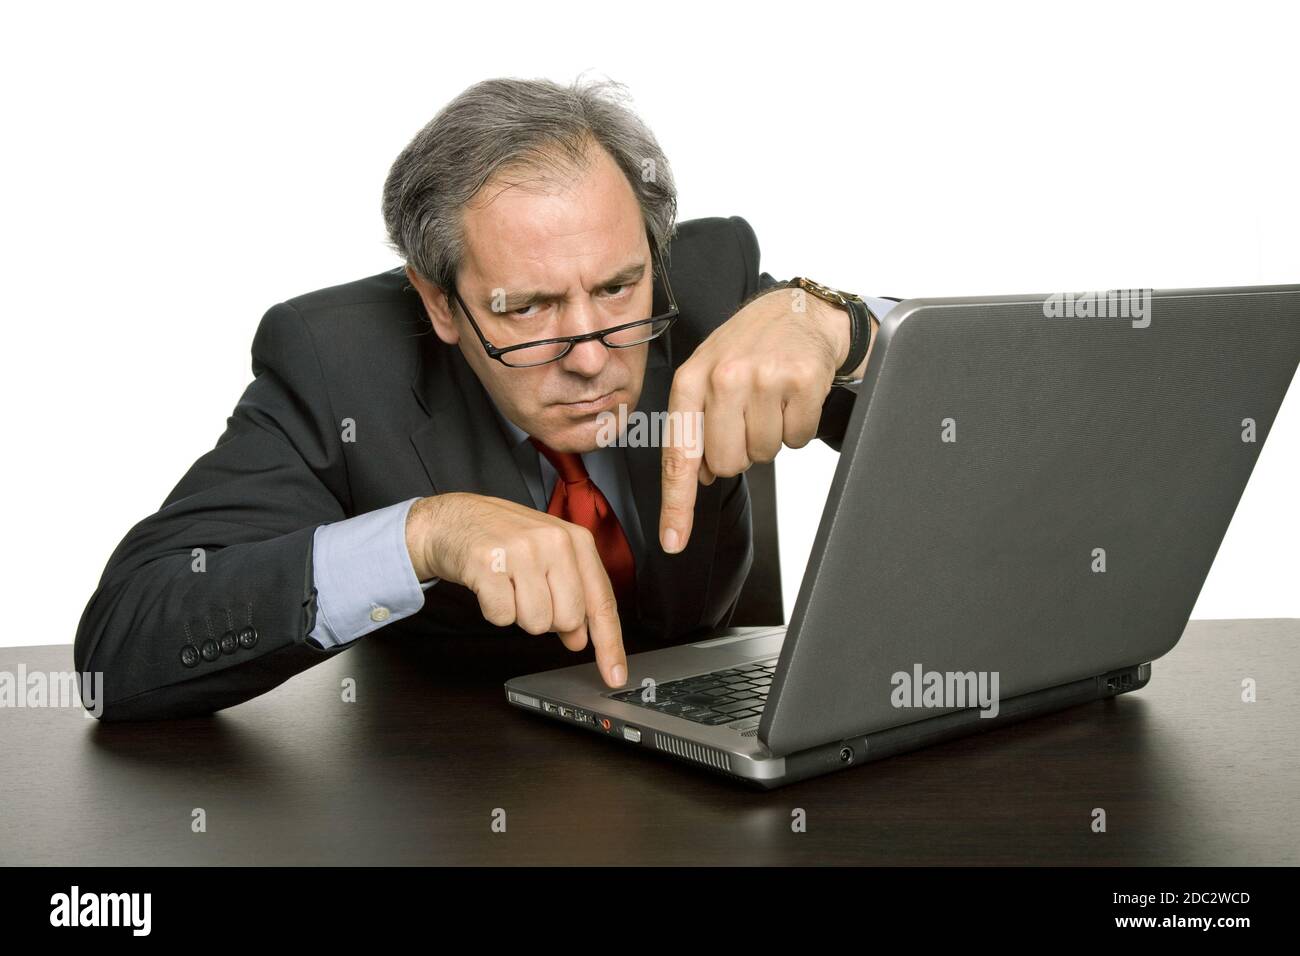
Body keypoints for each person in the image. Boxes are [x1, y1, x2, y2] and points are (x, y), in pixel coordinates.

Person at [73, 76, 896, 721]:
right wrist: (424, 535)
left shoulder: (710, 283)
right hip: (459, 790)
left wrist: (843, 330)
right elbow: (120, 648)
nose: (588, 355)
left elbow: (989, 429)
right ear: (440, 303)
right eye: (527, 308)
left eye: (618, 288)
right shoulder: (338, 366)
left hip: (726, 768)